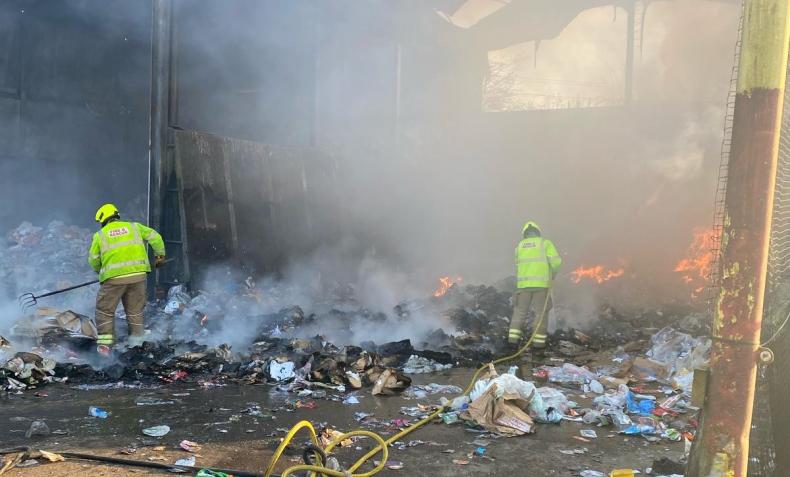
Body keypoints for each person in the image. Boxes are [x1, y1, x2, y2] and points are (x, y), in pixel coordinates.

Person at [88, 203, 166, 354]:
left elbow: (93, 260)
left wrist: (101, 271)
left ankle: (106, 345)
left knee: (105, 311)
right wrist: (160, 256)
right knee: (135, 310)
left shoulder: (100, 235)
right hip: (138, 276)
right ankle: (136, 342)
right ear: (116, 215)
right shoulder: (135, 227)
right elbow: (155, 237)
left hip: (114, 280)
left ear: (103, 219)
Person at [508, 221, 562, 352]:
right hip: (541, 286)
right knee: (540, 314)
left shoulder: (519, 247)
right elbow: (556, 262)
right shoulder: (545, 243)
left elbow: (517, 266)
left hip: (523, 287)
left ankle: (512, 343)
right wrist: (553, 274)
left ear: (525, 234)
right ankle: (538, 346)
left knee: (519, 313)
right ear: (538, 232)